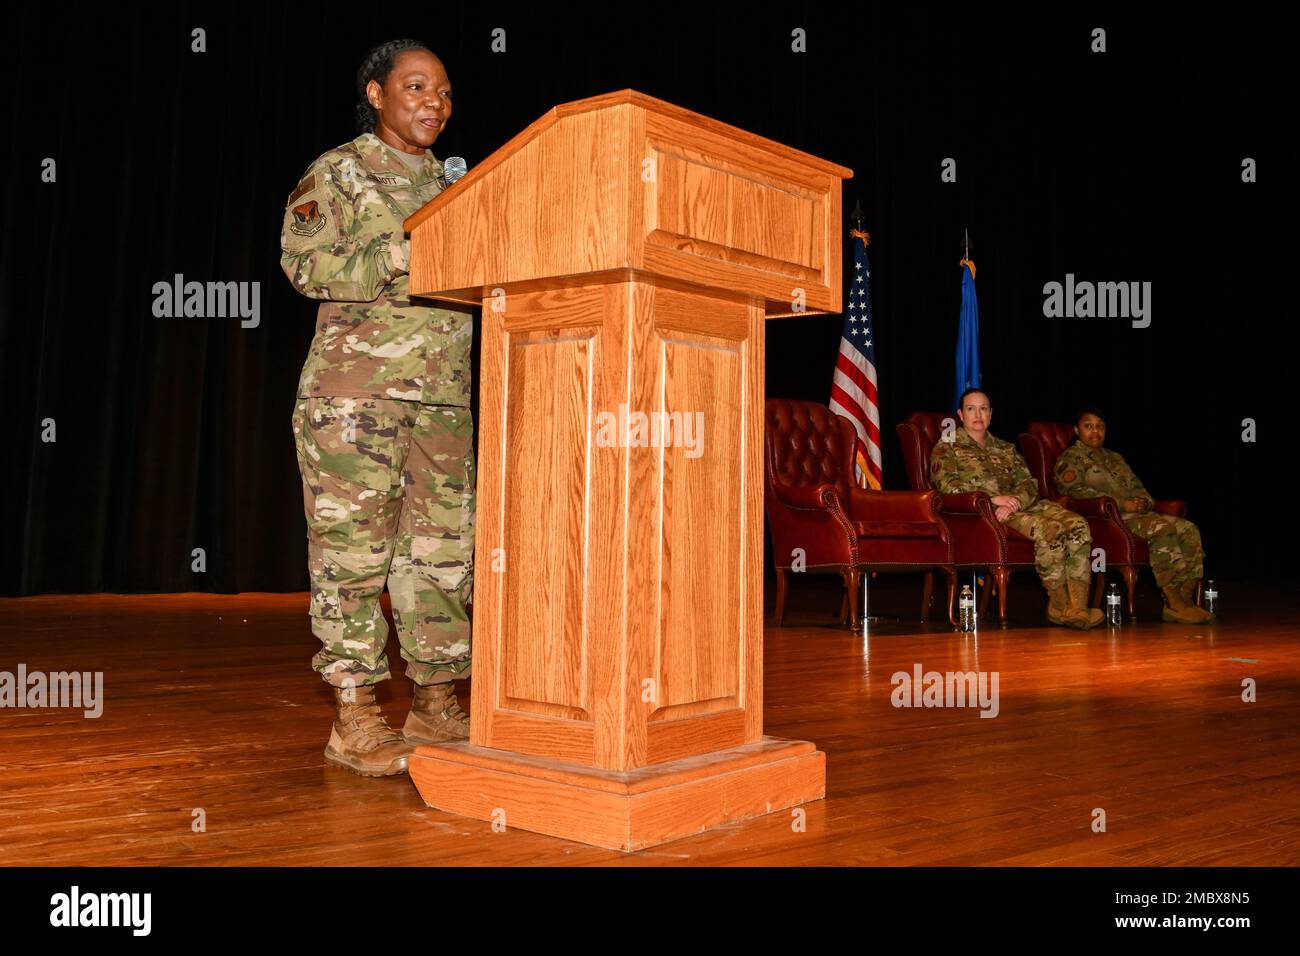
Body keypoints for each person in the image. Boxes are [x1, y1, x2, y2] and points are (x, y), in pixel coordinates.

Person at [281, 39, 475, 777]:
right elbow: (303, 266)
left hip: (442, 403)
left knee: (441, 557)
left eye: (446, 93)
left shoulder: (461, 189)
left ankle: (434, 702)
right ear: (376, 94)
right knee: (352, 557)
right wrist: (402, 252)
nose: (435, 103)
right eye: (418, 87)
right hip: (353, 400)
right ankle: (355, 714)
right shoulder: (340, 171)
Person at [931, 389, 1104, 629]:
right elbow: (947, 486)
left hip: (1023, 506)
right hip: (984, 515)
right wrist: (994, 500)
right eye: (971, 409)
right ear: (960, 414)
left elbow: (1029, 483)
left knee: (1078, 525)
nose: (978, 414)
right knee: (1051, 529)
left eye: (984, 408)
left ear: (991, 414)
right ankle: (1060, 606)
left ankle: (1077, 607)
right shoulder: (947, 446)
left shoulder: (1005, 448)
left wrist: (1015, 501)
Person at [1054, 408, 1211, 623]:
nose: (1095, 431)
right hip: (1108, 520)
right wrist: (1122, 504)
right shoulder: (1070, 459)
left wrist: (1143, 502)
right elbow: (1072, 491)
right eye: (1088, 426)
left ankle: (1185, 599)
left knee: (1189, 529)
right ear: (1076, 430)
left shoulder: (1115, 458)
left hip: (1137, 516)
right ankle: (1173, 601)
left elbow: (1140, 489)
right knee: (1162, 529)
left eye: (1100, 426)